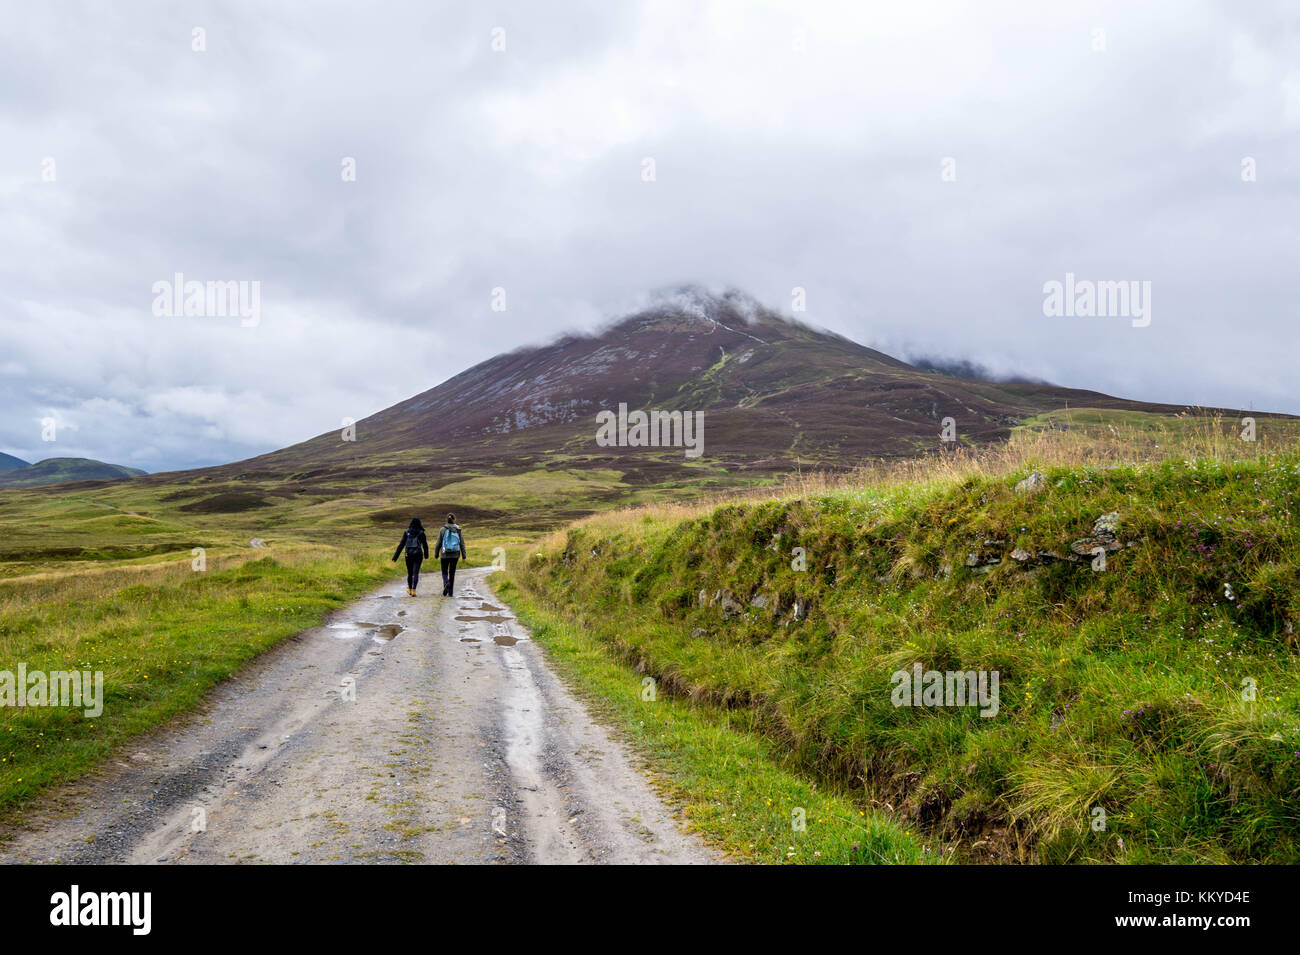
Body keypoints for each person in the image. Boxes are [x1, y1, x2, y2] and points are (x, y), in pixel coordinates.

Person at [392, 517, 429, 596]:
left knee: (410, 573)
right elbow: (425, 545)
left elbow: (401, 545)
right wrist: (426, 555)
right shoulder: (421, 533)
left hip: (408, 555)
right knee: (416, 572)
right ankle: (414, 590)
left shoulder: (407, 532)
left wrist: (395, 557)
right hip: (418, 555)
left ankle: (409, 588)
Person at [434, 513, 467, 596]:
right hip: (455, 555)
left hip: (444, 555)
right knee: (452, 573)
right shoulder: (458, 529)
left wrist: (436, 554)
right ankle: (451, 592)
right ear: (454, 519)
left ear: (446, 519)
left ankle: (446, 583)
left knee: (444, 572)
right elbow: (462, 543)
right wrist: (464, 556)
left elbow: (438, 543)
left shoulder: (442, 529)